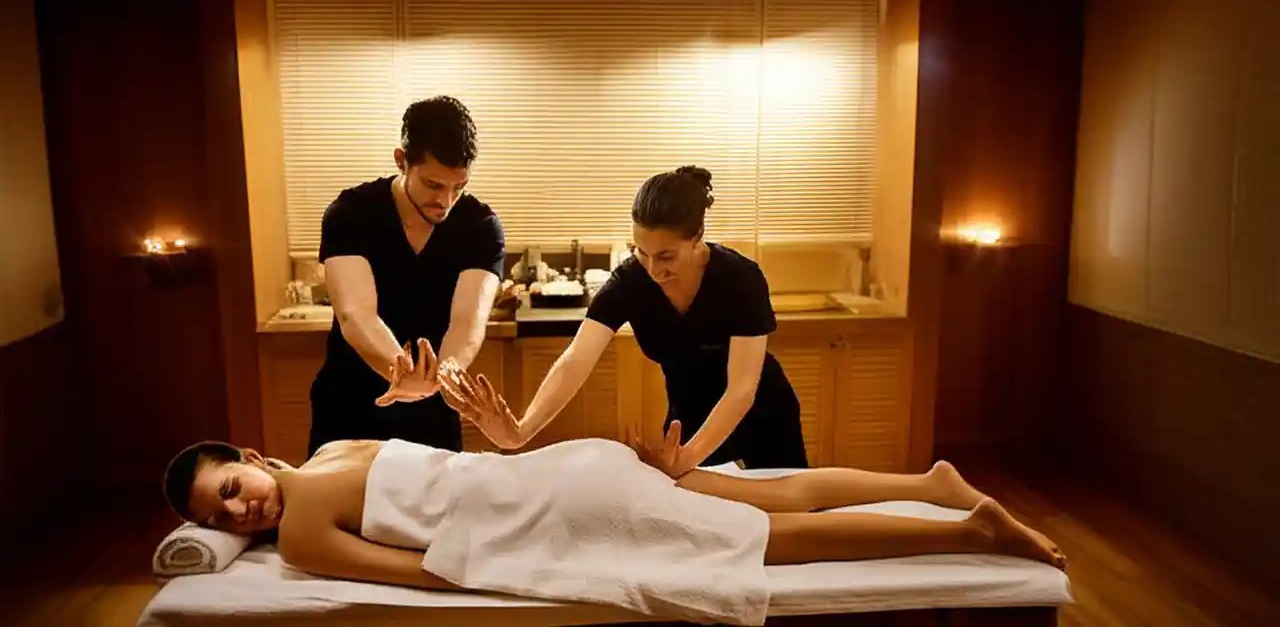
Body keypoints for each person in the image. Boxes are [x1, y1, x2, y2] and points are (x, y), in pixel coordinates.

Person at [161, 369, 1065, 612]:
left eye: (231, 489)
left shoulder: (310, 522)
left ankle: (971, 534)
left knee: (766, 544)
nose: (242, 516)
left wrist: (544, 568)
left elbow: (434, 576)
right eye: (221, 520)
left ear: (249, 453)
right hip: (570, 468)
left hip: (562, 507)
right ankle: (931, 484)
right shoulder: (331, 448)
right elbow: (434, 522)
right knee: (760, 501)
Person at [449, 165, 807, 475]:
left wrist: (688, 460)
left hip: (762, 417)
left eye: (666, 256)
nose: (653, 269)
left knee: (789, 522)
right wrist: (521, 431)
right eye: (642, 251)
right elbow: (576, 360)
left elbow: (741, 390)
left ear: (698, 237)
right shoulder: (631, 282)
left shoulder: (740, 279)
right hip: (688, 420)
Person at [308, 95, 504, 457]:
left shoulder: (480, 227)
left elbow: (468, 323)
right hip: (351, 403)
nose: (445, 201)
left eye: (457, 187)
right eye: (433, 185)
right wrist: (401, 372)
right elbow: (357, 313)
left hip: (433, 408)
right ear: (401, 161)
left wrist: (440, 378)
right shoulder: (351, 213)